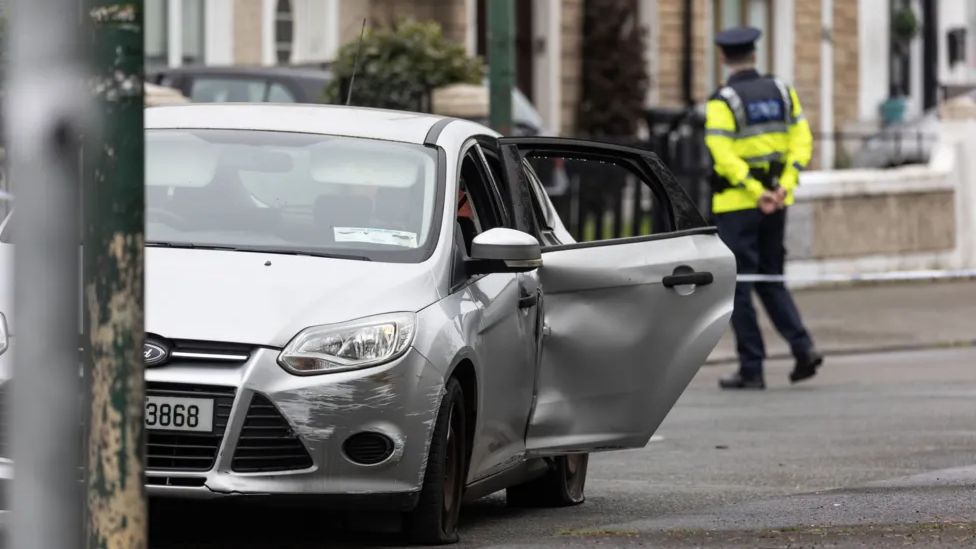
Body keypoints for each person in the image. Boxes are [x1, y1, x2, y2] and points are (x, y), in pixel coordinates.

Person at [705, 26, 823, 390]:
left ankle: (751, 367)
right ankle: (803, 348)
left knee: (739, 286)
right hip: (776, 204)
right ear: (755, 54)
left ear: (724, 58)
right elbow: (801, 142)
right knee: (772, 278)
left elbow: (723, 156)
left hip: (739, 206)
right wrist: (782, 188)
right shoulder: (783, 92)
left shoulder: (723, 101)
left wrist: (755, 191)